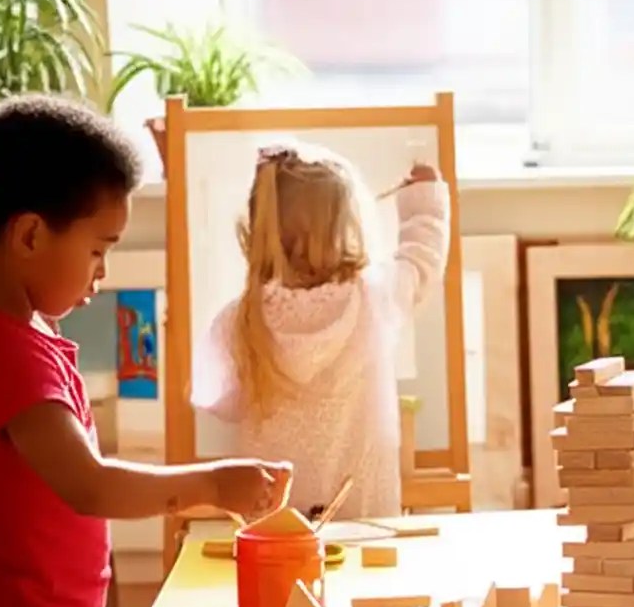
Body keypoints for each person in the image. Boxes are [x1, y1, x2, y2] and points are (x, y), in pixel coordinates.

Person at [0, 94, 293, 607]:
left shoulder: (27, 337)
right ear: (29, 236)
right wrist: (212, 485)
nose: (102, 272)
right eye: (98, 249)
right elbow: (91, 487)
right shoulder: (7, 352)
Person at [192, 142, 450, 521]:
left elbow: (219, 403)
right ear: (348, 227)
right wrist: (423, 199)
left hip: (273, 532)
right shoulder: (375, 298)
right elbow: (421, 259)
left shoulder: (238, 320)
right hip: (368, 519)